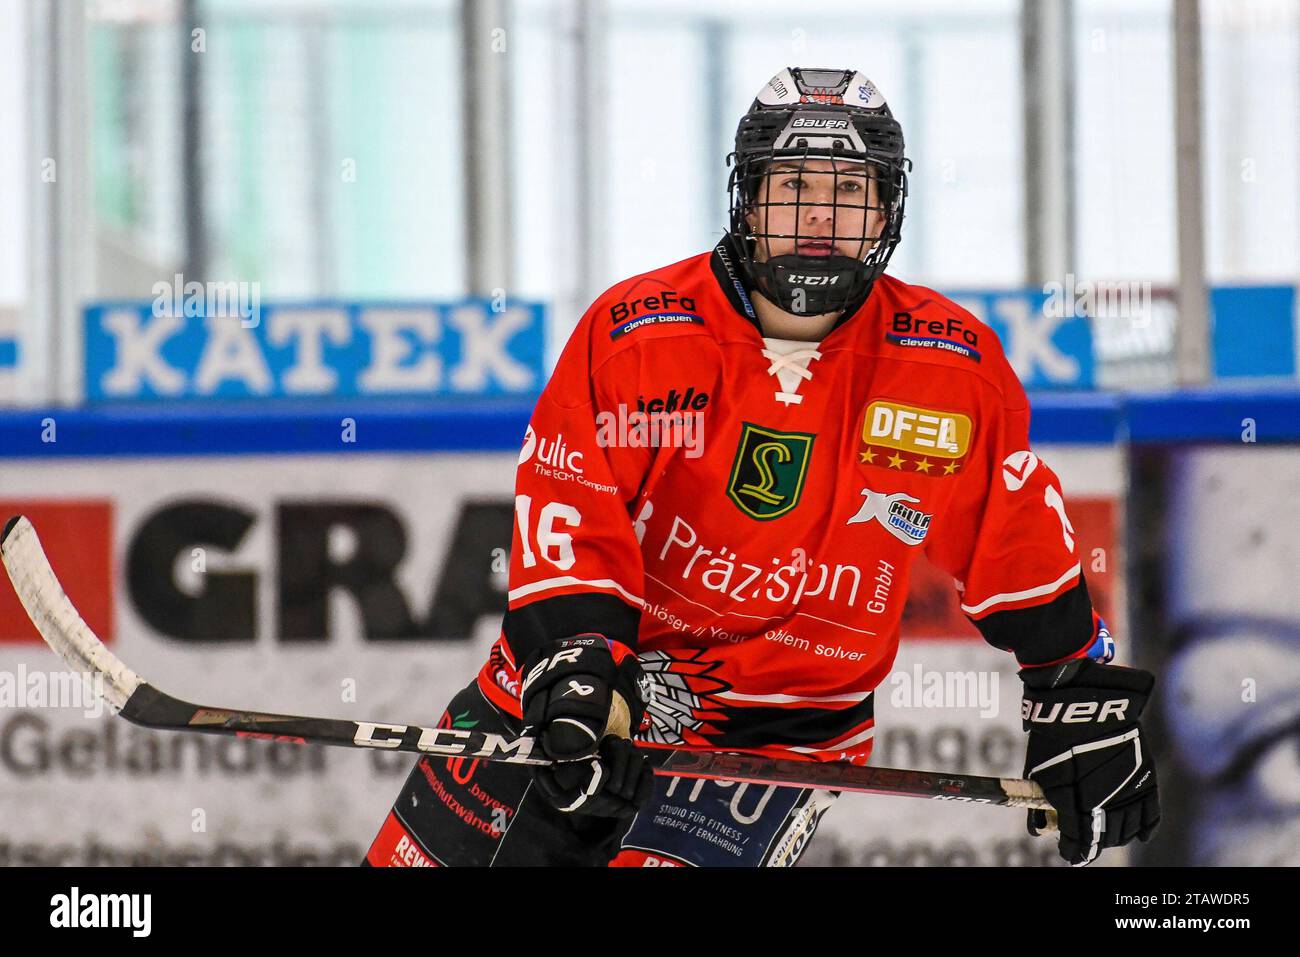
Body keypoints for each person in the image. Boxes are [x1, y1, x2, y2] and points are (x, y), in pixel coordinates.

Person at [363, 67, 1160, 867]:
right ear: (748, 201)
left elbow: (1015, 539)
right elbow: (572, 514)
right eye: (793, 184)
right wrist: (581, 677)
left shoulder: (949, 365)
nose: (820, 213)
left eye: (850, 189)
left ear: (887, 211)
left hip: (774, 741)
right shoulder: (637, 335)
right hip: (583, 696)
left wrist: (1077, 690)